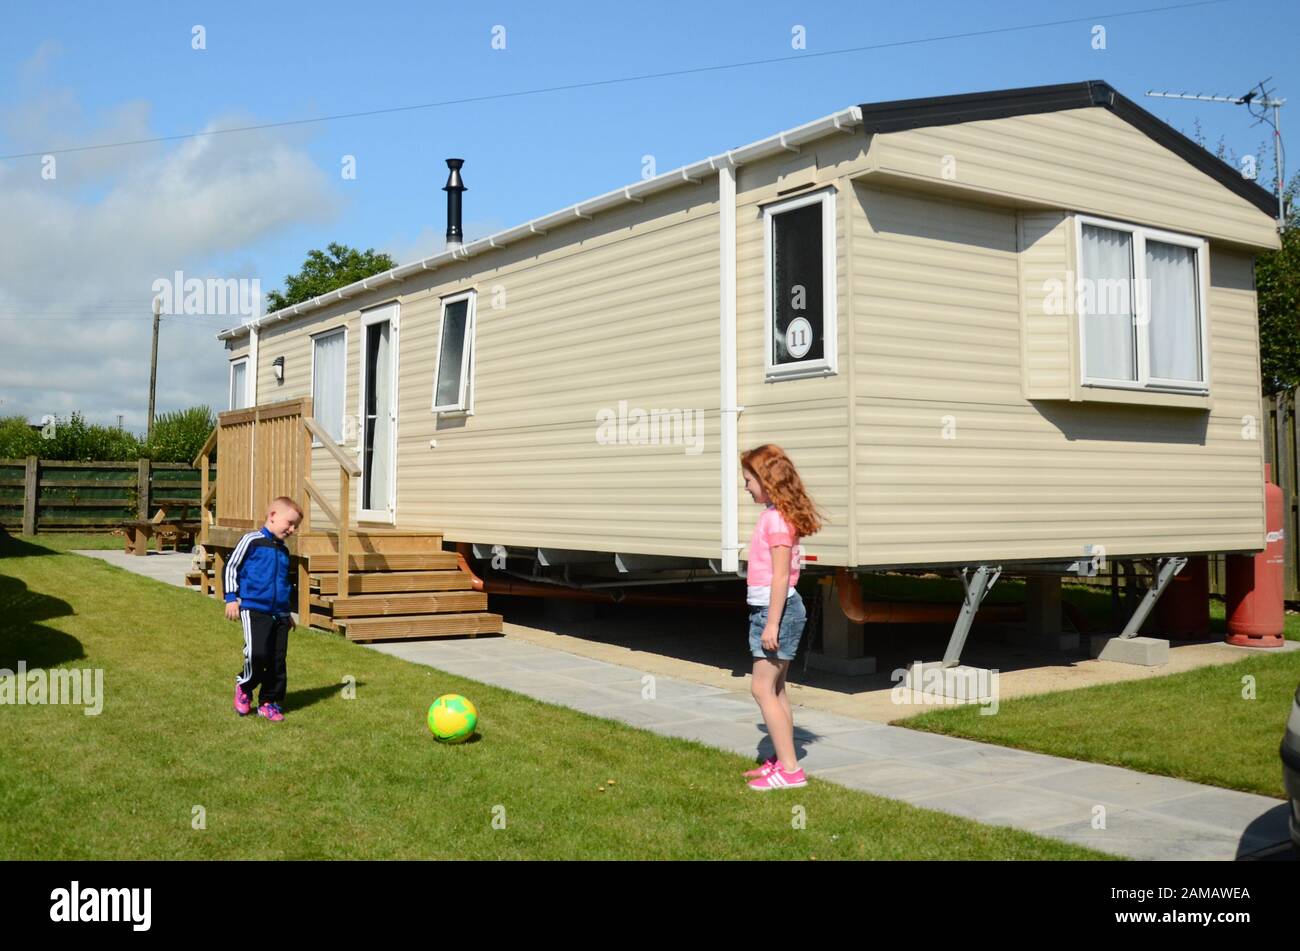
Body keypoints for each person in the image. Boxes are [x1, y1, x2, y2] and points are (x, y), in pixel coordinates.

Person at [739, 445, 822, 790]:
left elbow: (780, 576)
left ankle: (790, 771)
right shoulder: (776, 513)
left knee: (761, 688)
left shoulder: (775, 519)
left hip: (778, 611)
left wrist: (771, 623)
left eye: (748, 480)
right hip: (777, 610)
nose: (746, 487)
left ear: (766, 480)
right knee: (777, 688)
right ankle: (782, 760)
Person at [226, 497, 302, 722]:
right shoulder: (252, 541)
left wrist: (287, 613)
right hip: (254, 609)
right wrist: (231, 598)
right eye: (289, 523)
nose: (292, 529)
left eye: (295, 526)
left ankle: (269, 702)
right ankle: (245, 686)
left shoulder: (283, 551)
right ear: (272, 516)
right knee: (257, 654)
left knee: (277, 660)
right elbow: (231, 566)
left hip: (279, 613)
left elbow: (283, 584)